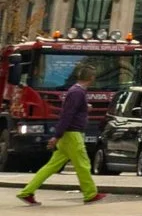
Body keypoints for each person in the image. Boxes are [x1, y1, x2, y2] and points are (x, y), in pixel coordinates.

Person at [15, 64, 104, 206]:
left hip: (68, 134)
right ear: (91, 78)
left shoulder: (75, 91)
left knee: (52, 165)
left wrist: (85, 108)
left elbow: (69, 112)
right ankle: (90, 193)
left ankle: (27, 191)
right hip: (72, 134)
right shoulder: (77, 92)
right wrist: (56, 136)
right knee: (83, 164)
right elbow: (67, 115)